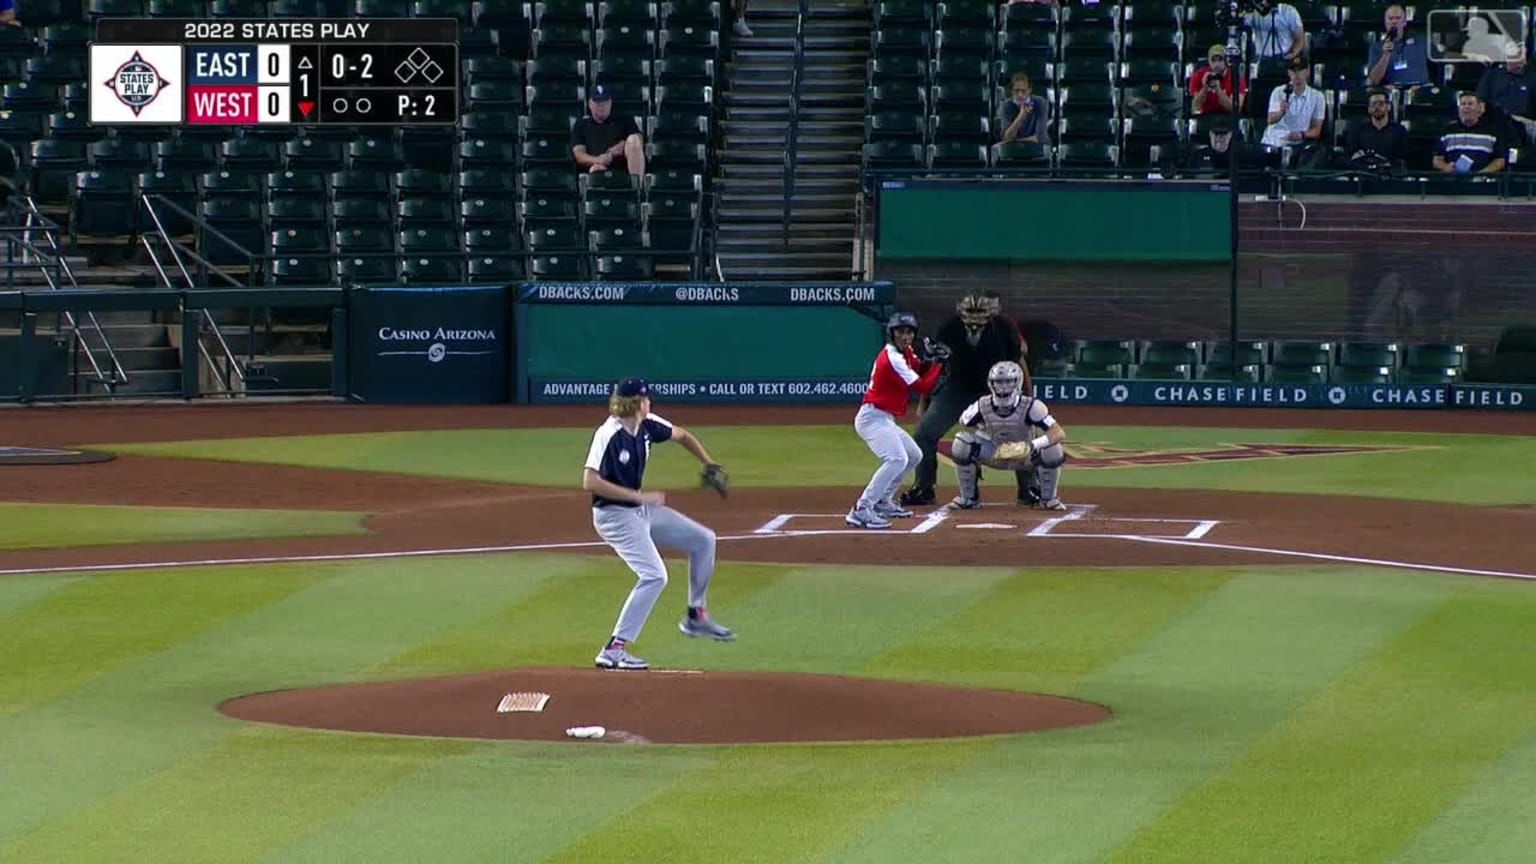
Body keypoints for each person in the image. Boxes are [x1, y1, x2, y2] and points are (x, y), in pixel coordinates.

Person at [584, 377, 734, 671]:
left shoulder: (648, 424)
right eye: (646, 399)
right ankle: (614, 649)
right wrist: (638, 496)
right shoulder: (609, 433)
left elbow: (683, 435)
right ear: (636, 403)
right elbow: (589, 481)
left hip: (640, 511)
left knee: (703, 540)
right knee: (654, 576)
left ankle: (696, 616)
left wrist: (707, 462)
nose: (649, 402)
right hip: (613, 517)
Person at [900, 293, 1026, 509]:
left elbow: (1018, 361)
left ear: (990, 312)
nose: (975, 317)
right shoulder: (949, 328)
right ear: (960, 311)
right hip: (956, 389)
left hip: (995, 390)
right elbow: (934, 366)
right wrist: (924, 401)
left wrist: (1026, 395)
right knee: (924, 434)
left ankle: (1029, 489)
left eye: (980, 312)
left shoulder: (1004, 328)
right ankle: (924, 488)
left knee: (1022, 433)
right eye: (970, 312)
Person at [848, 312, 948, 529]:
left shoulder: (905, 352)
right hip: (872, 418)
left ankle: (883, 501)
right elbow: (922, 386)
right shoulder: (891, 358)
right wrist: (938, 364)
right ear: (892, 334)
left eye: (909, 332)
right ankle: (862, 508)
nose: (905, 336)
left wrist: (930, 359)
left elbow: (919, 369)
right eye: (901, 332)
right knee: (896, 459)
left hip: (885, 418)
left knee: (914, 455)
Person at [949, 361, 1069, 511]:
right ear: (991, 384)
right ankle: (969, 498)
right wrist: (983, 432)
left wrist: (1030, 445)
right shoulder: (982, 405)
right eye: (999, 382)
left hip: (1025, 455)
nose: (1003, 386)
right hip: (996, 452)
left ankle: (1048, 499)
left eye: (1008, 381)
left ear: (1017, 382)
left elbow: (1058, 432)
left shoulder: (1031, 406)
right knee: (961, 442)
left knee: (1053, 448)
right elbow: (964, 422)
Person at [570, 84, 646, 178]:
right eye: (598, 103)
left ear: (610, 103)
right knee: (596, 169)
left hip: (624, 168)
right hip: (597, 168)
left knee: (633, 139)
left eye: (605, 102)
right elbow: (579, 155)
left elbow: (639, 139)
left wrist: (623, 144)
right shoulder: (581, 125)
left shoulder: (624, 119)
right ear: (590, 104)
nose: (601, 106)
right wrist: (597, 160)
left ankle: (636, 184)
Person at [1260, 58, 1327, 165]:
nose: (1297, 75)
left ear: (1307, 72)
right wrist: (1281, 112)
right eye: (1294, 71)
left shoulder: (1317, 97)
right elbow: (1270, 120)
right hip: (1274, 141)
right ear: (1289, 73)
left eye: (1301, 70)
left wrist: (1301, 135)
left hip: (1298, 145)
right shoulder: (1278, 92)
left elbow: (1316, 130)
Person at [1433, 92, 1509, 174]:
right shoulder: (1447, 130)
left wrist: (1482, 174)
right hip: (1453, 178)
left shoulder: (1492, 132)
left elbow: (1500, 160)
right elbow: (1437, 160)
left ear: (1478, 108)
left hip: (1482, 179)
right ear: (1459, 108)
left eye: (1470, 104)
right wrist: (1446, 167)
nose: (1466, 107)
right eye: (1463, 104)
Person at [1476, 46, 1536, 147]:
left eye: (1517, 57)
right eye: (1510, 57)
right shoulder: (1492, 74)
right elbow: (1481, 99)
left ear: (1524, 60)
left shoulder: (1532, 77)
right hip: (1496, 120)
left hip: (1525, 122)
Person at [1342, 88, 1408, 171]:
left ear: (1388, 107)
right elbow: (1348, 157)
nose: (1377, 107)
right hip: (1364, 173)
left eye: (1381, 104)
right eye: (1373, 104)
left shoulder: (1399, 131)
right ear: (1369, 109)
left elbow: (1403, 159)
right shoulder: (1358, 131)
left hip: (1390, 174)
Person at [1366, 5, 1429, 88]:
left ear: (1404, 22)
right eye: (1390, 18)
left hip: (1419, 90)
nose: (1394, 21)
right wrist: (1385, 55)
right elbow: (1374, 81)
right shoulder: (1376, 47)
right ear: (1385, 22)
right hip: (1391, 91)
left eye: (1398, 18)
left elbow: (1440, 58)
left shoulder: (1421, 41)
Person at [1189, 44, 1248, 116]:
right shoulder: (1198, 75)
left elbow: (1235, 109)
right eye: (1213, 60)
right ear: (1209, 62)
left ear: (1226, 61)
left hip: (1228, 117)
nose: (1216, 64)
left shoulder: (1237, 78)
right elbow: (1195, 107)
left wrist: (1218, 89)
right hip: (1205, 116)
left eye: (1220, 60)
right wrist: (1204, 88)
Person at [997, 72, 1051, 146]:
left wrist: (1014, 141)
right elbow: (1006, 137)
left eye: (1023, 91)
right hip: (1013, 149)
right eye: (1016, 91)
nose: (1020, 95)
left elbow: (1040, 137)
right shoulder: (1006, 105)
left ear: (1029, 90)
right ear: (1012, 91)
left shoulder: (1040, 102)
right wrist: (1021, 116)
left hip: (1036, 148)